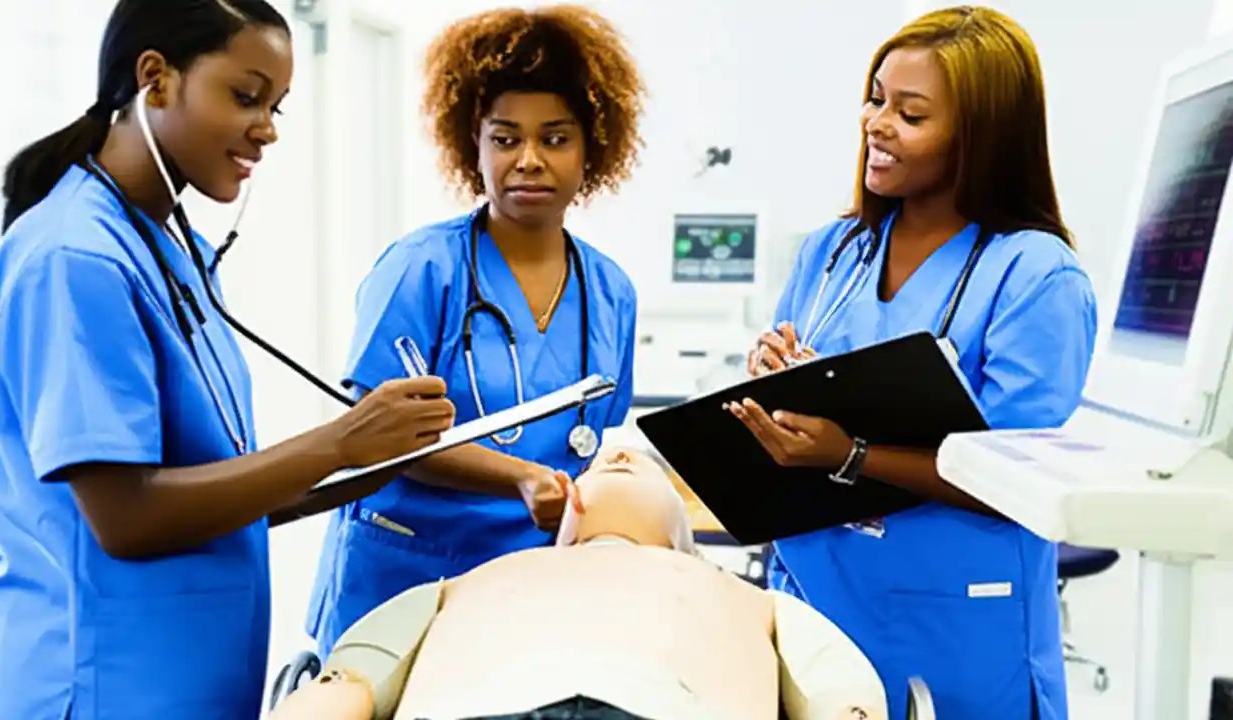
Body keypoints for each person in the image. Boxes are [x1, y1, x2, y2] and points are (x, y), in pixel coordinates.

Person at [0, 2, 454, 718]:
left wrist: (366, 464)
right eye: (246, 96)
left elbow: (213, 489)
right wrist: (337, 441)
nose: (268, 128)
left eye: (277, 106)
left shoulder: (173, 251)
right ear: (156, 79)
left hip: (184, 688)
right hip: (91, 688)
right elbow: (128, 517)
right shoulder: (74, 258)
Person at [730, 6, 1097, 720]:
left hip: (953, 624)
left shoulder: (1035, 277)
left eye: (911, 113)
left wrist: (853, 454)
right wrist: (771, 379)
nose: (876, 123)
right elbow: (798, 402)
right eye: (875, 100)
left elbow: (1020, 481)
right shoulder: (833, 252)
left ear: (980, 136)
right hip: (814, 603)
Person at [306, 4, 647, 654]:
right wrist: (517, 477)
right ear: (474, 144)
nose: (528, 160)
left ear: (591, 148)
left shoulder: (611, 292)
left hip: (534, 588)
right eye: (505, 137)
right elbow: (376, 435)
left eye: (554, 137)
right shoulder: (421, 269)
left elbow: (597, 441)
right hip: (403, 580)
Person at [272, 448, 892, 720]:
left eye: (644, 467)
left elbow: (840, 695)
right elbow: (349, 680)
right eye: (596, 464)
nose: (618, 459)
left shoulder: (745, 599)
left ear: (686, 533)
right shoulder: (472, 583)